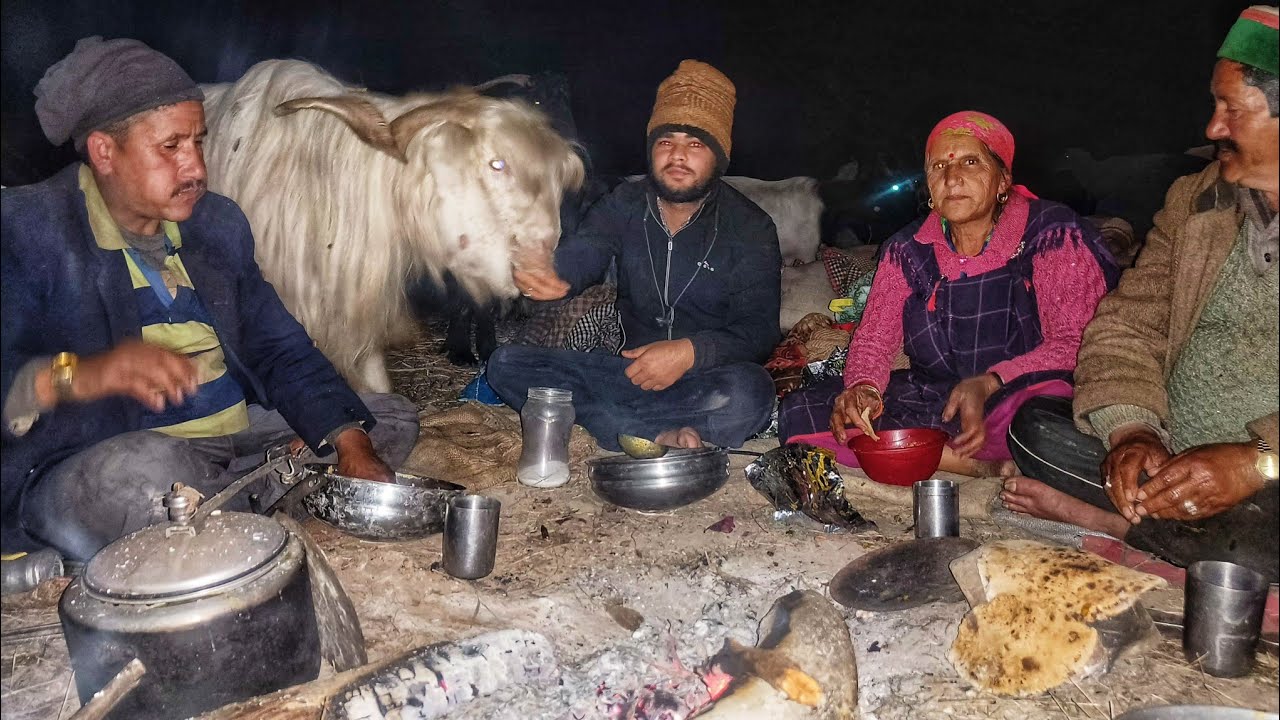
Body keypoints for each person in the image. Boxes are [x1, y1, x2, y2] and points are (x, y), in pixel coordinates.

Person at [1, 37, 420, 561]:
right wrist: (85, 373)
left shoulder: (217, 225)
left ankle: (228, 501)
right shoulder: (27, 231)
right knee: (145, 475)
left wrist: (346, 441)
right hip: (101, 459)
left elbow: (280, 348)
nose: (197, 168)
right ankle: (260, 493)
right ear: (105, 151)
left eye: (199, 141)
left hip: (234, 439)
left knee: (383, 419)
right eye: (171, 147)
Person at [1001, 6, 1279, 581]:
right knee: (1033, 430)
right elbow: (1129, 326)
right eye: (1214, 105)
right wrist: (1133, 431)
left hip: (1267, 479)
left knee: (1254, 543)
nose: (1213, 128)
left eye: (1232, 109)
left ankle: (1123, 525)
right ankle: (1172, 525)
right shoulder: (1197, 201)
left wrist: (1257, 463)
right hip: (1172, 459)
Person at [779, 111, 1119, 476]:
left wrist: (991, 382)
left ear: (1003, 179)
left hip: (1019, 390)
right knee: (802, 413)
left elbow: (1077, 343)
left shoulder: (1052, 233)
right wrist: (864, 388)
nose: (952, 177)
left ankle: (946, 451)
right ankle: (976, 465)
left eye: (971, 162)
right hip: (939, 397)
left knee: (1042, 417)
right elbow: (876, 339)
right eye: (938, 166)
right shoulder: (907, 249)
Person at [486, 59, 781, 454]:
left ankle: (622, 426)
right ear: (651, 149)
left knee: (752, 393)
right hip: (627, 373)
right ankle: (657, 432)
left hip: (707, 378)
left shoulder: (750, 227)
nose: (677, 156)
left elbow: (759, 330)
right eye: (665, 141)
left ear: (718, 156)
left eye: (695, 144)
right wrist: (553, 274)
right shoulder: (624, 203)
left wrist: (689, 353)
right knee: (506, 364)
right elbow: (587, 251)